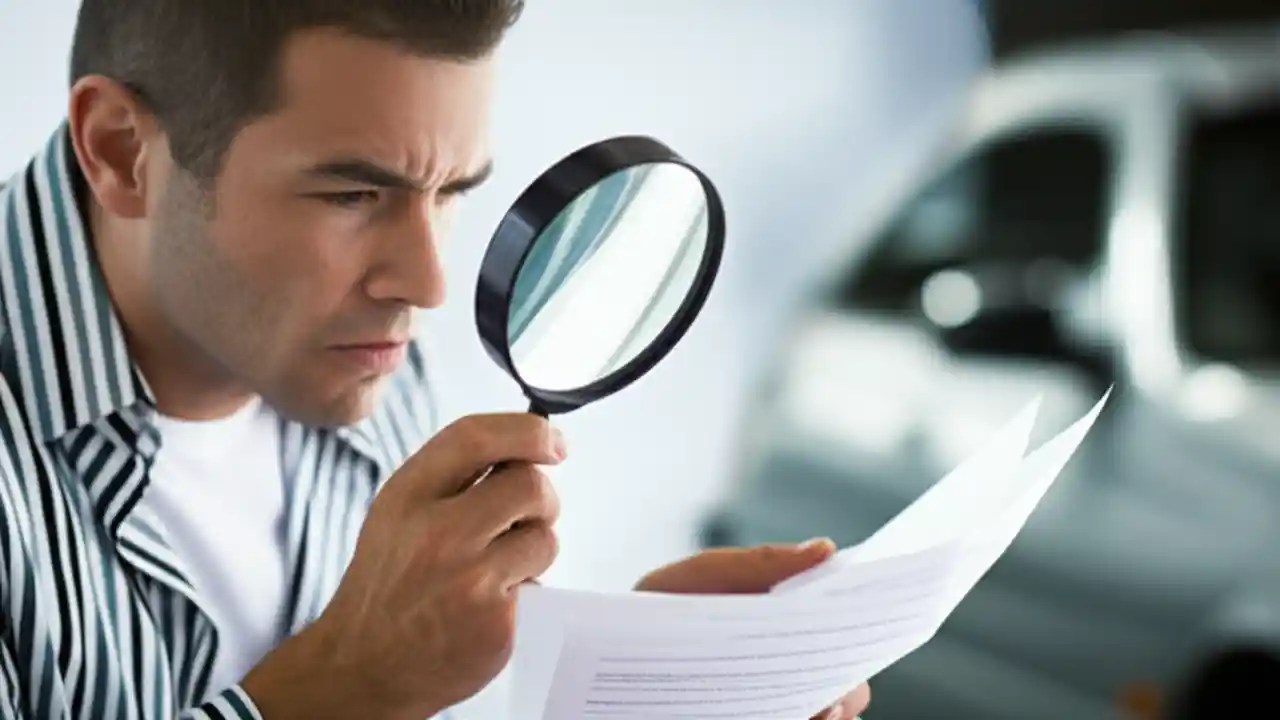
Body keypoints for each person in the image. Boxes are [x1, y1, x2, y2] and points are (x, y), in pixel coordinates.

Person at [0, 2, 871, 719]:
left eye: (452, 193)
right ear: (119, 149)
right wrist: (343, 689)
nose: (427, 283)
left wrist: (619, 690)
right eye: (351, 194)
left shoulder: (356, 349)